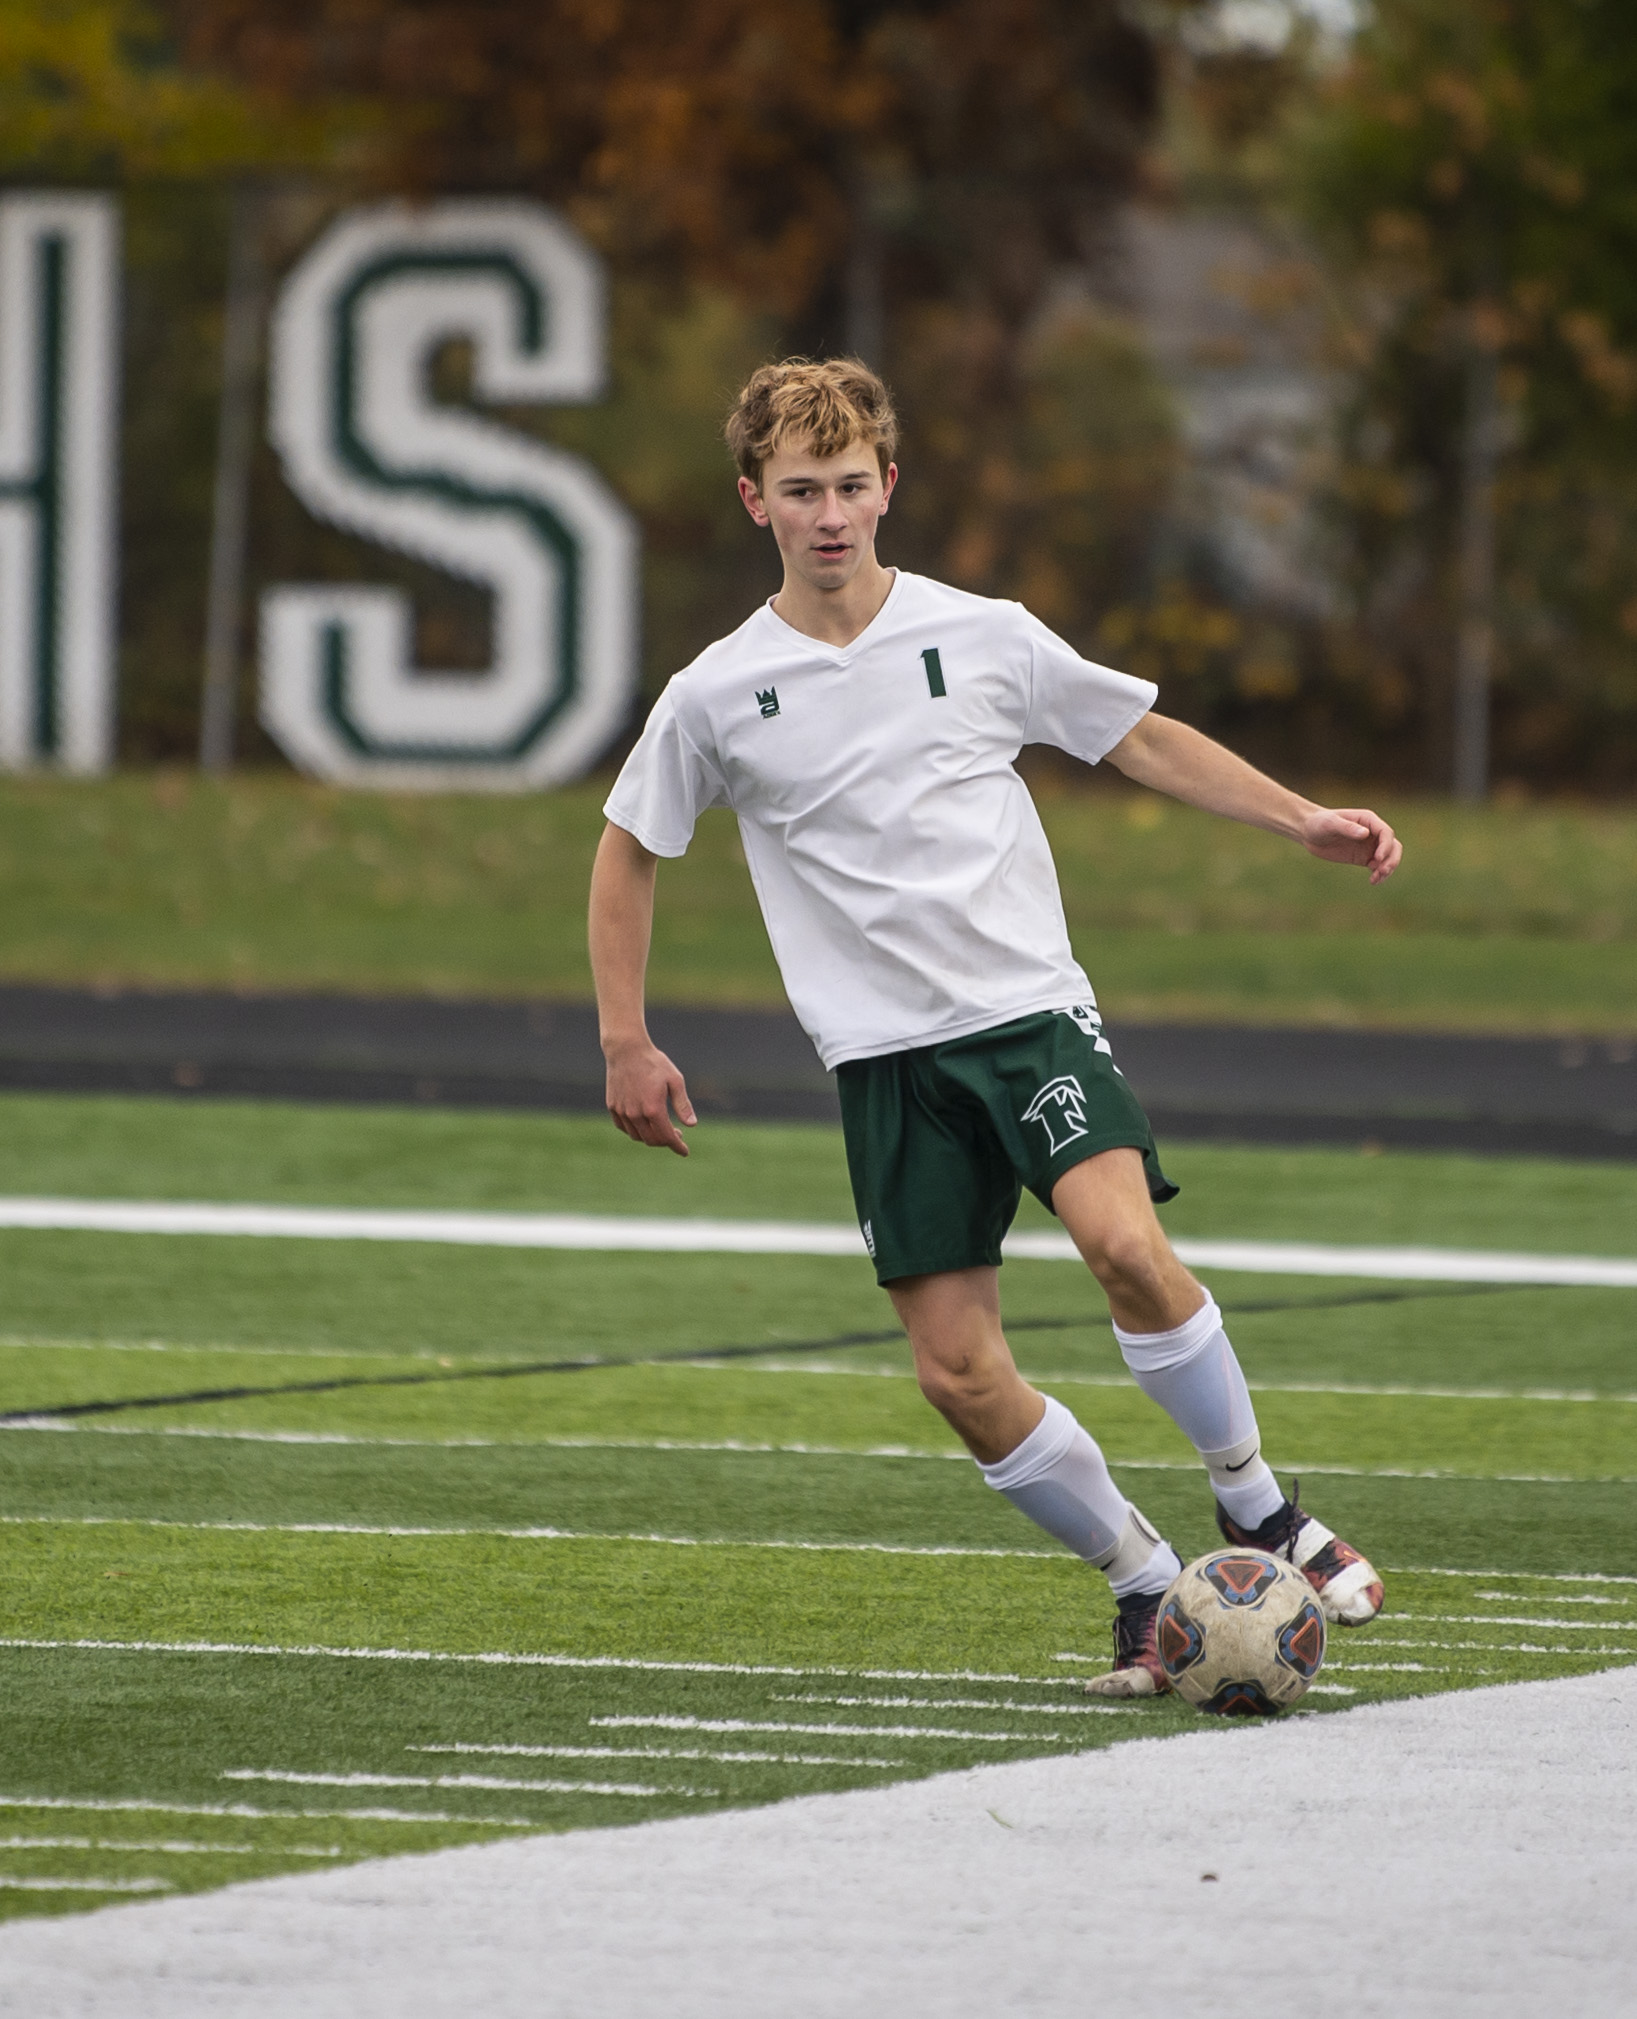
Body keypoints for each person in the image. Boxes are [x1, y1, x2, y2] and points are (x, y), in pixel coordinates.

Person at [588, 358, 1393, 1697]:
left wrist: (1298, 816)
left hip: (1027, 1022)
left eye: (850, 486)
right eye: (800, 491)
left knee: (1124, 1246)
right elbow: (626, 849)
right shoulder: (715, 693)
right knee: (957, 1376)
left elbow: (1133, 737)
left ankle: (1250, 1502)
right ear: (754, 503)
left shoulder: (983, 634)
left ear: (888, 487)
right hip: (882, 1068)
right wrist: (626, 1038)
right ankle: (1145, 1593)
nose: (829, 515)